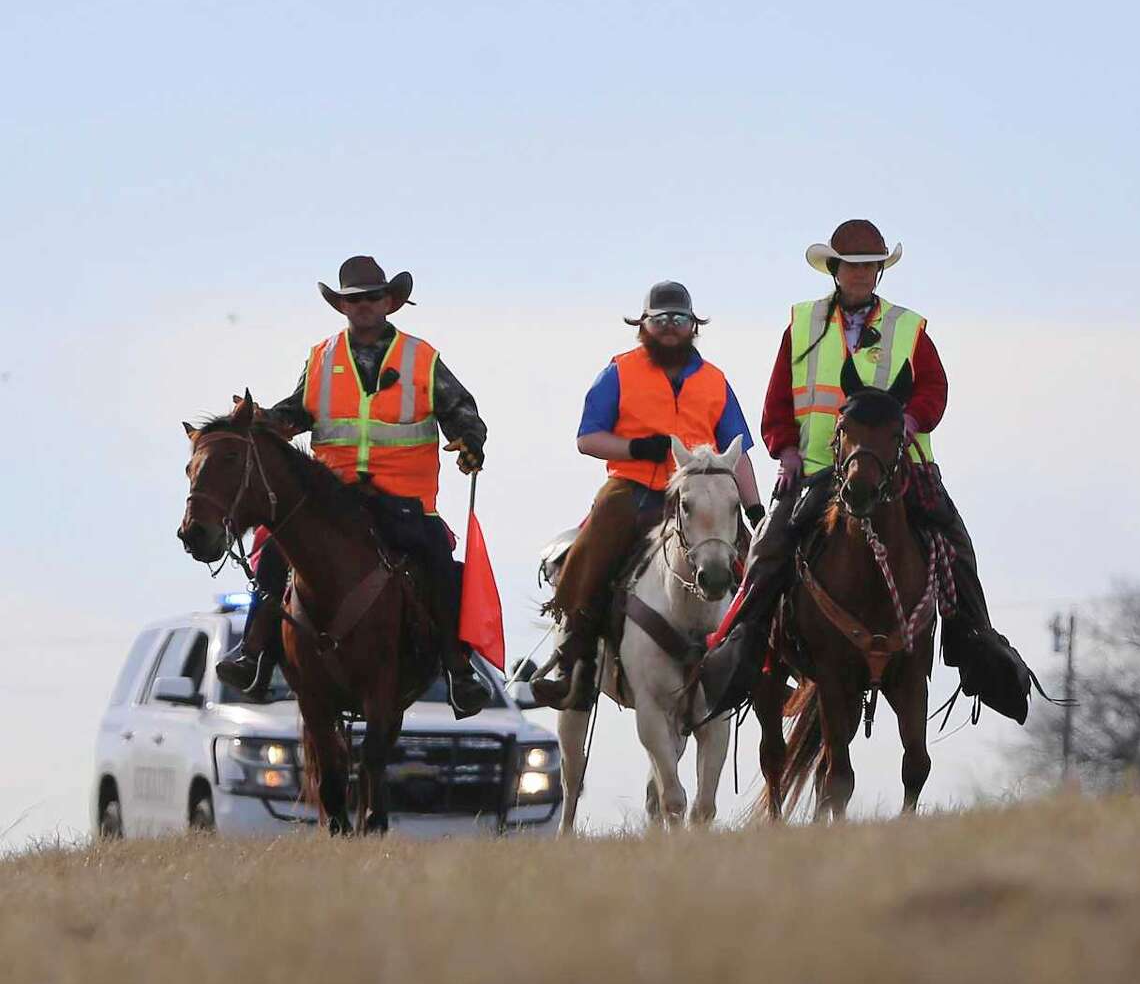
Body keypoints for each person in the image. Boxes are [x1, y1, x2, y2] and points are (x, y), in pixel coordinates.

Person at [698, 219, 1034, 722]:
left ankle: (975, 639)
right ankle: (743, 648)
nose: (862, 274)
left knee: (955, 544)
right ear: (835, 270)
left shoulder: (909, 327)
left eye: (871, 266)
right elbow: (777, 403)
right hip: (817, 470)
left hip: (902, 469)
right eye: (853, 266)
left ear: (879, 272)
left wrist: (908, 421)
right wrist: (784, 451)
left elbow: (933, 390)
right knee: (768, 552)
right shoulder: (802, 325)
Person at [212, 255, 493, 719]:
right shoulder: (322, 356)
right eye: (354, 299)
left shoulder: (422, 357)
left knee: (441, 566)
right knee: (278, 551)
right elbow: (299, 411)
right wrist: (267, 419)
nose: (363, 306)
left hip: (403, 500)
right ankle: (253, 652)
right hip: (332, 497)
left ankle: (456, 668)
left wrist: (470, 440)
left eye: (372, 297)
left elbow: (459, 407)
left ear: (389, 302)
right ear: (342, 305)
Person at [530, 281, 763, 710]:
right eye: (660, 320)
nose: (670, 327)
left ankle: (762, 665)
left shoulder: (715, 380)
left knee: (758, 566)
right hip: (633, 487)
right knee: (593, 548)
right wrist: (635, 448)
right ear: (643, 325)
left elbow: (739, 451)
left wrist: (753, 509)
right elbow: (588, 438)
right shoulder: (619, 371)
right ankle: (572, 659)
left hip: (701, 490)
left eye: (680, 319)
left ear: (694, 325)